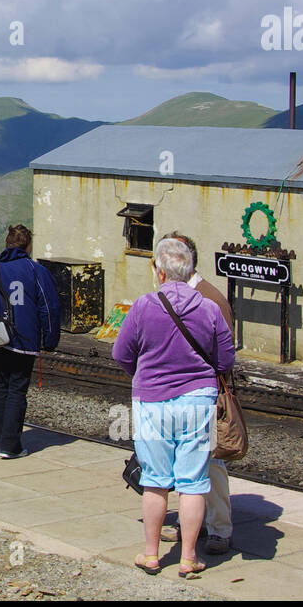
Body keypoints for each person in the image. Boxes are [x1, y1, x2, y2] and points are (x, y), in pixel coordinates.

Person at [113, 236, 234, 579]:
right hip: (197, 402)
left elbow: (121, 353)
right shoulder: (209, 308)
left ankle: (151, 555)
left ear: (161, 273)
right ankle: (188, 558)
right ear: (190, 270)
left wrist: (145, 375)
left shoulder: (143, 306)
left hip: (152, 401)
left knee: (154, 480)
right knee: (194, 482)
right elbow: (225, 359)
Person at [158, 231, 235, 555]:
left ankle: (219, 529)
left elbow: (224, 355)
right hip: (181, 392)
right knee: (187, 462)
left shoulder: (209, 299)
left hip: (205, 394)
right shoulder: (185, 294)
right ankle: (194, 522)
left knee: (212, 464)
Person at [0, 224, 60, 459]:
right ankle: (10, 446)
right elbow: (49, 307)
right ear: (28, 245)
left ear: (6, 244)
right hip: (24, 338)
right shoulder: (36, 270)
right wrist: (50, 340)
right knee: (17, 389)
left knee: (0, 386)